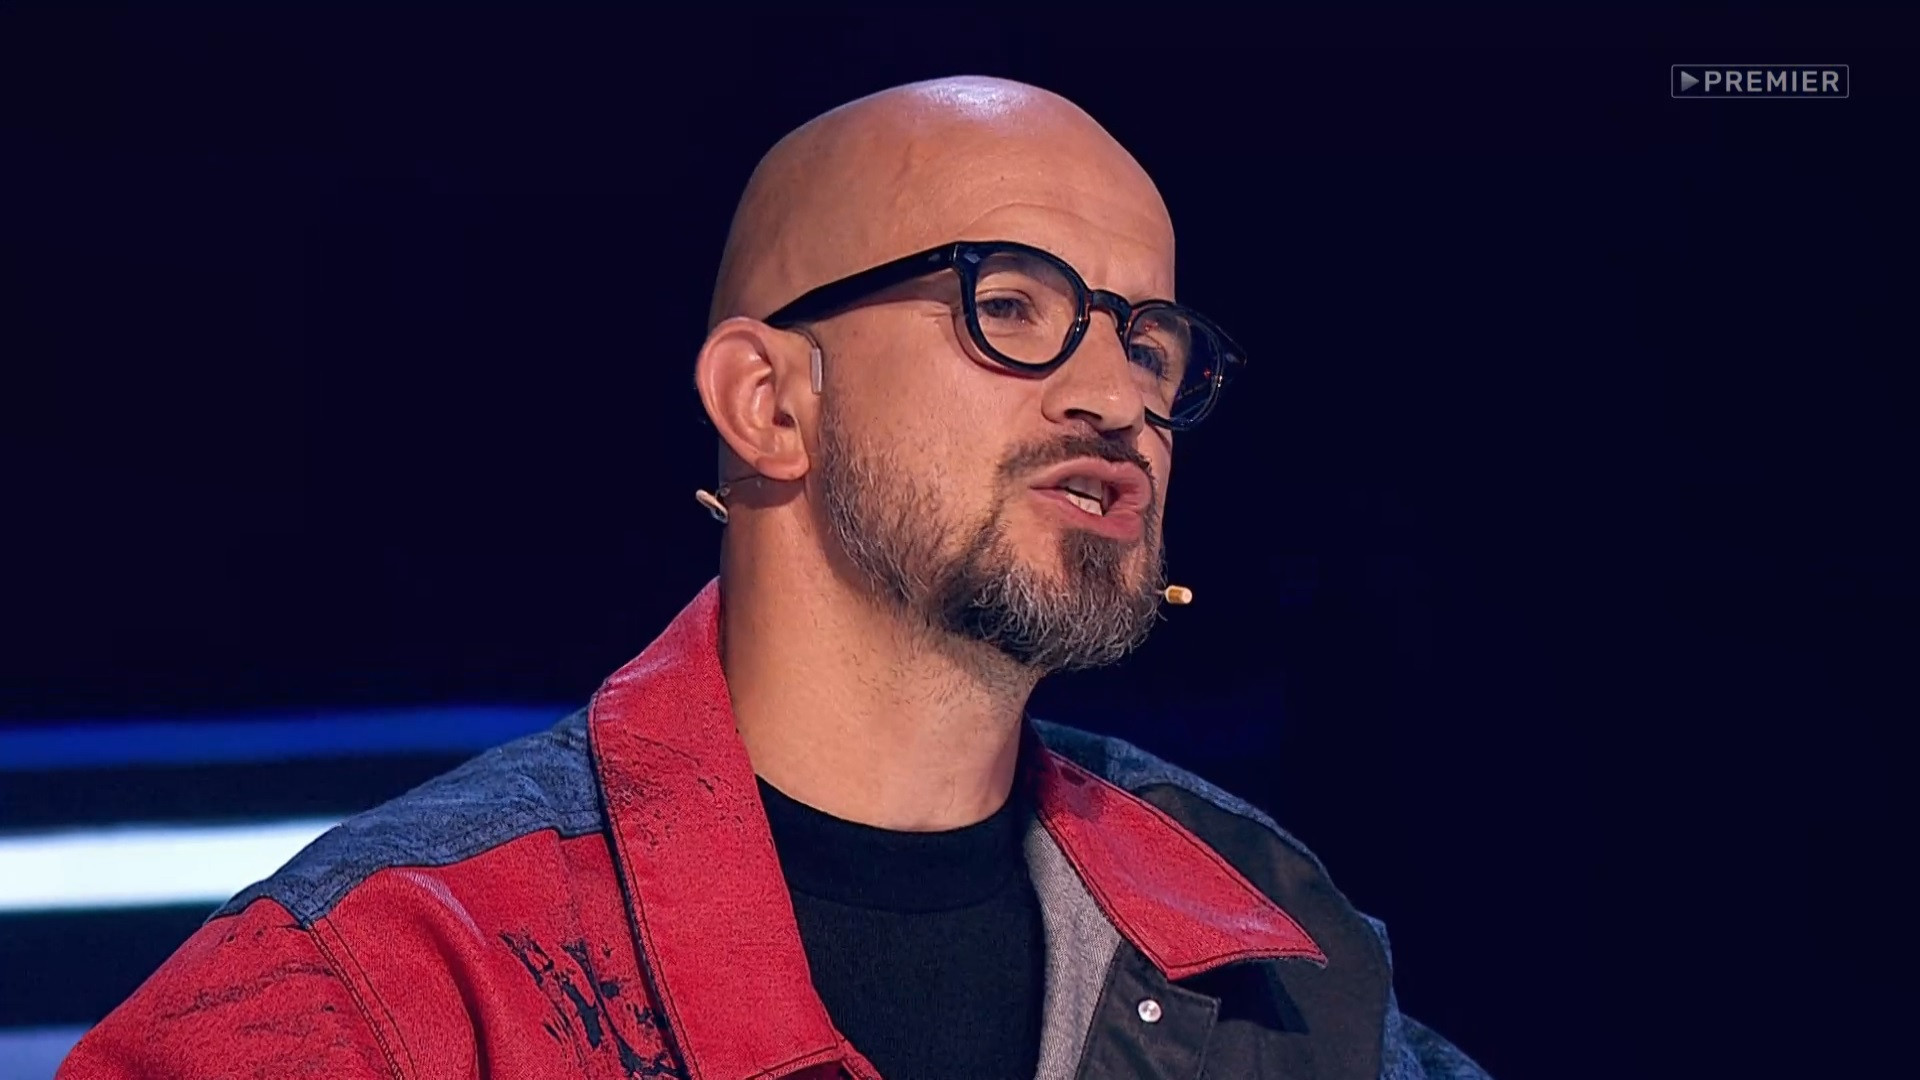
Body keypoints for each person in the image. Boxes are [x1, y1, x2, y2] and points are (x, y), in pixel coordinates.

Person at [57, 76, 1491, 1080]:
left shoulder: (1271, 946)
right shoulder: (405, 980)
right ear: (767, 404)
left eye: (1151, 343)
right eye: (1012, 307)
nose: (1117, 397)